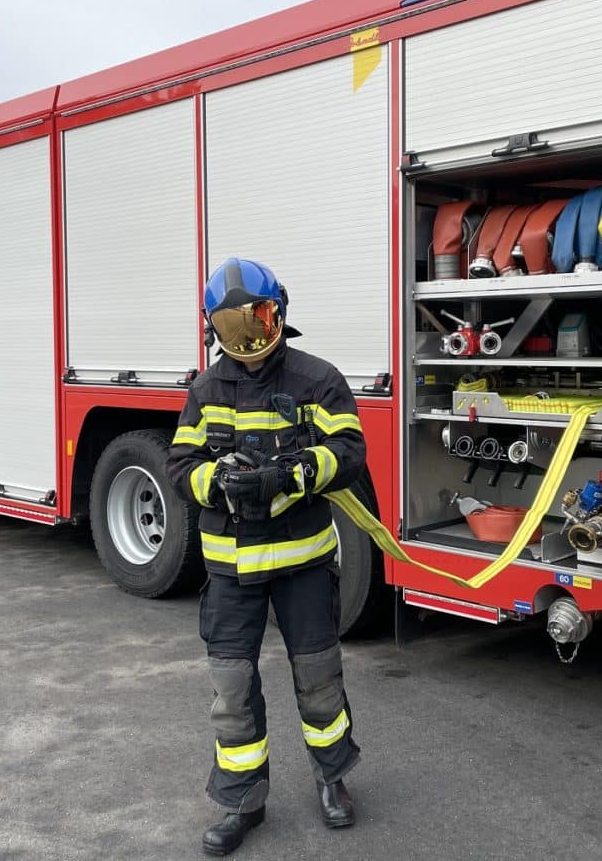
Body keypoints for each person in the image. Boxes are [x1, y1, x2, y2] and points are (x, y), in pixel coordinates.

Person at [167, 257, 365, 856]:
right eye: (233, 326)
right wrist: (219, 482)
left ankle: (333, 780)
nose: (249, 337)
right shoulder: (205, 390)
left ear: (280, 312)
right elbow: (180, 465)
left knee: (319, 680)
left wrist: (294, 473)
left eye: (259, 319)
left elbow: (349, 450)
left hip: (304, 566)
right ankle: (242, 802)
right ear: (213, 328)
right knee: (232, 692)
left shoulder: (317, 378)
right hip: (231, 571)